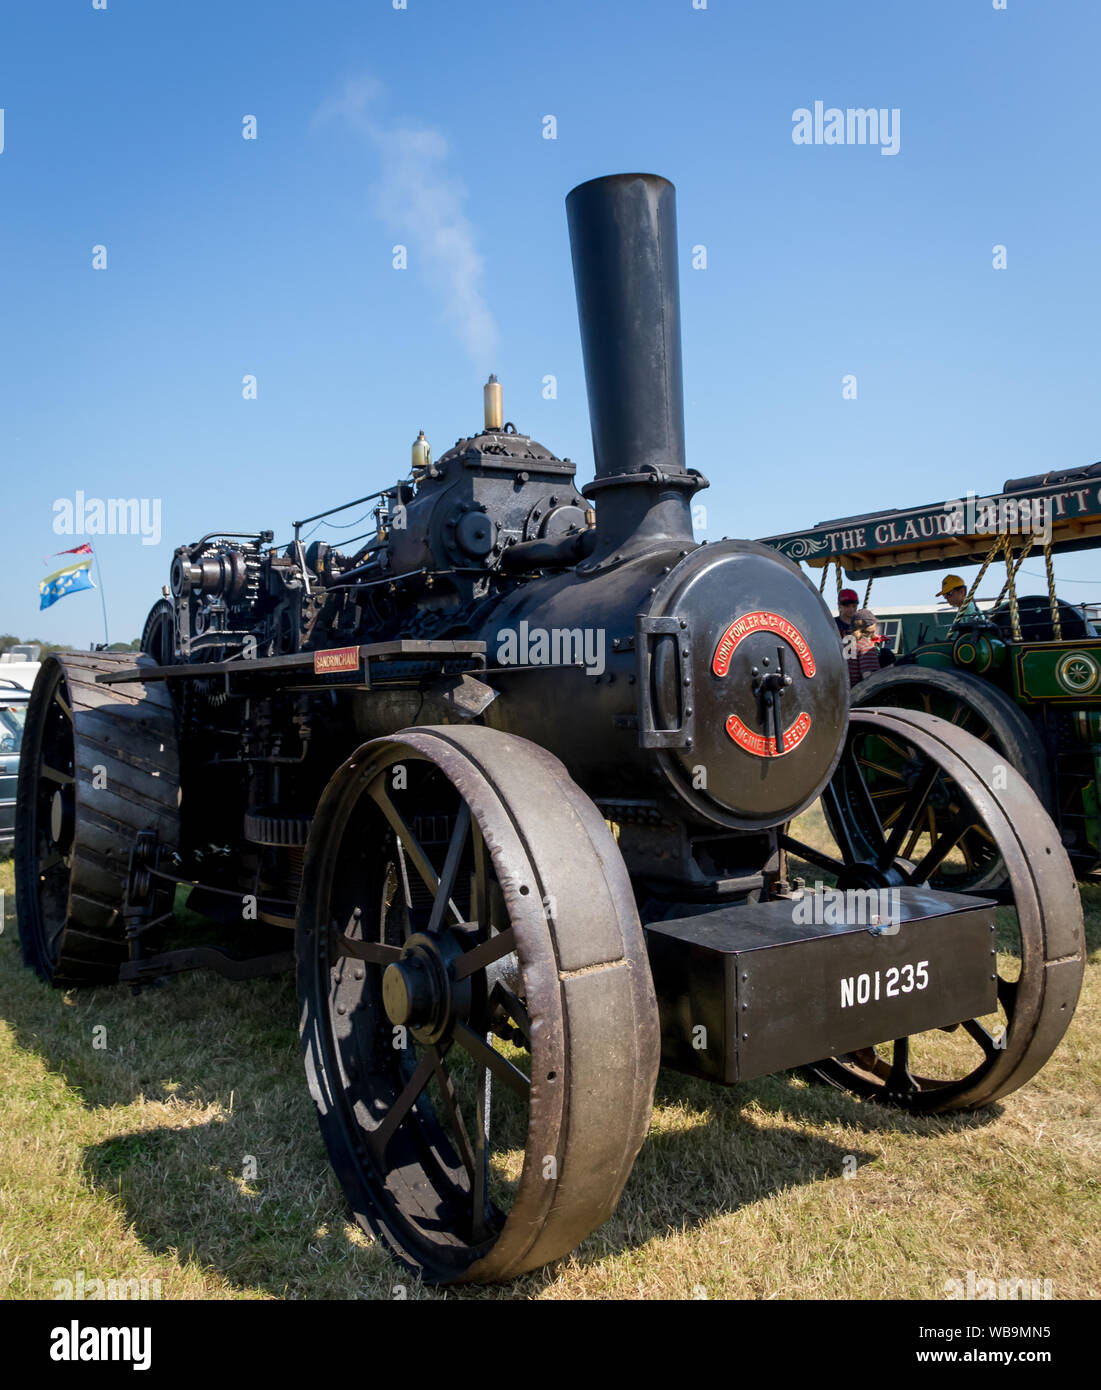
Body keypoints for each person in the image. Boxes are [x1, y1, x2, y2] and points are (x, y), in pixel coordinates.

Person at [846, 609, 885, 686]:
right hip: (858, 694)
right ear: (872, 626)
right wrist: (892, 668)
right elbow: (869, 678)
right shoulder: (866, 646)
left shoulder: (847, 642)